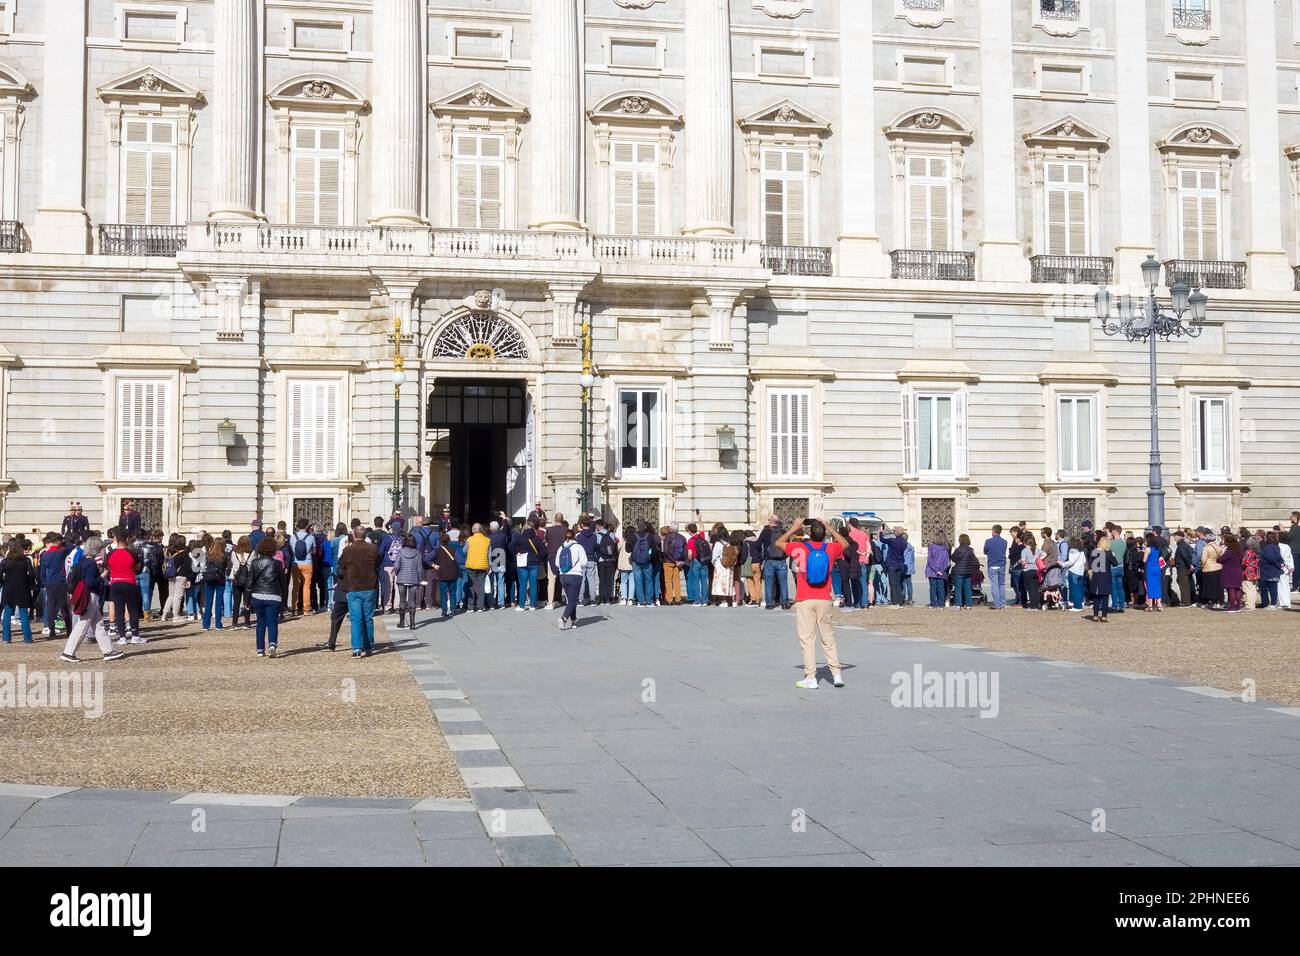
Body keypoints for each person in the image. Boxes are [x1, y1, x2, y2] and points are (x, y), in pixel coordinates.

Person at [776, 518, 847, 690]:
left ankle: (811, 677)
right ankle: (836, 674)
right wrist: (830, 527)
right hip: (824, 597)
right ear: (824, 535)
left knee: (807, 639)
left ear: (809, 534)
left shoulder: (799, 548)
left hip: (805, 597)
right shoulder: (830, 548)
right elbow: (844, 543)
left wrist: (794, 528)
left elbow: (779, 543)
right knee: (828, 637)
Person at [59, 537, 127, 663]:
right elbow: (90, 582)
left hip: (86, 594)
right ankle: (68, 652)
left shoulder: (83, 560)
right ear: (97, 549)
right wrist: (102, 576)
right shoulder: (90, 563)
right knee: (82, 624)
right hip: (89, 595)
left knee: (98, 624)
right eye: (101, 549)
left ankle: (108, 651)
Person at [337, 528, 380, 656]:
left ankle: (356, 647)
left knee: (356, 618)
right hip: (369, 585)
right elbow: (377, 564)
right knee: (368, 618)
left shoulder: (348, 550)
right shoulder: (373, 548)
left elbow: (341, 565)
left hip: (353, 586)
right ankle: (368, 645)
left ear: (354, 535)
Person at [243, 537, 282, 657]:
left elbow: (249, 583)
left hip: (258, 595)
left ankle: (260, 649)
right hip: (273, 595)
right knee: (272, 622)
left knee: (260, 623)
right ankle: (272, 644)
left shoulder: (255, 563)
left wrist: (247, 600)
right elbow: (282, 583)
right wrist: (283, 598)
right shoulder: (277, 564)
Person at [106, 528, 146, 644]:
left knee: (119, 610)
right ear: (127, 539)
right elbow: (137, 568)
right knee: (133, 610)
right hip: (129, 582)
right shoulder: (133, 553)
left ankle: (122, 637)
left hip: (115, 583)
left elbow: (108, 567)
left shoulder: (110, 554)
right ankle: (134, 635)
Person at [0, 540, 37, 643]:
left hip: (8, 588)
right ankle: (27, 638)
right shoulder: (26, 560)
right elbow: (32, 575)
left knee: (7, 613)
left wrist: (3, 582)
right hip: (23, 588)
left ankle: (6, 638)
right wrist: (29, 583)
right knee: (23, 613)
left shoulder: (5, 561)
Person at [555, 527, 588, 630]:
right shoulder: (578, 547)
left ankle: (573, 621)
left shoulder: (561, 548)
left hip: (563, 576)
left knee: (571, 599)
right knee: (573, 599)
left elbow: (557, 563)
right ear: (574, 536)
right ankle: (564, 618)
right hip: (575, 576)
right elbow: (584, 562)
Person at [392, 533, 425, 628]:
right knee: (412, 601)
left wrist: (398, 573)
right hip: (413, 579)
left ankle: (402, 622)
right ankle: (413, 623)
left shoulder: (401, 552)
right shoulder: (418, 553)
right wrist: (419, 580)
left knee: (402, 600)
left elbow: (397, 565)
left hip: (402, 578)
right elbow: (419, 568)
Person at [512, 521, 546, 611]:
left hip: (522, 563)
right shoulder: (537, 538)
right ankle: (532, 605)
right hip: (534, 563)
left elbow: (510, 546)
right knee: (533, 584)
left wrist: (516, 553)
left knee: (522, 584)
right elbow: (543, 552)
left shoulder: (520, 538)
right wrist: (538, 559)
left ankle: (522, 605)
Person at [1084, 532, 1118, 622]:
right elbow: (1115, 563)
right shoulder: (1108, 553)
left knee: (1096, 597)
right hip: (1105, 576)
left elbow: (1090, 564)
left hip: (1096, 576)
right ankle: (1104, 616)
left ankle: (1095, 615)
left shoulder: (1094, 552)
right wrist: (1113, 555)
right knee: (1104, 597)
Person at [200, 538, 229, 631]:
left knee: (208, 602)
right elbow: (226, 568)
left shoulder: (209, 554)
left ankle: (205, 624)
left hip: (209, 578)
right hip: (220, 579)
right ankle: (218, 624)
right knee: (218, 602)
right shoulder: (224, 555)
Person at [628, 520, 657, 607]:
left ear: (637, 526)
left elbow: (628, 549)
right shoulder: (650, 536)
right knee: (649, 581)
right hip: (647, 561)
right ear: (645, 527)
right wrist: (650, 557)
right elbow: (653, 550)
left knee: (638, 581)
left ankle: (641, 601)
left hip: (636, 562)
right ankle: (649, 601)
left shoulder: (632, 536)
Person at [230, 535, 254, 629]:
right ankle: (247, 622)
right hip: (248, 578)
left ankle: (234, 622)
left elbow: (234, 564)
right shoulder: (252, 553)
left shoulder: (234, 553)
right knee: (246, 601)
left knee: (236, 601)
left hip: (237, 578)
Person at [545, 514, 569, 608]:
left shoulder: (549, 530)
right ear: (562, 520)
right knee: (565, 578)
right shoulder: (566, 530)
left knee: (551, 580)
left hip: (552, 556)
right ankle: (567, 599)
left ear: (554, 519)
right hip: (563, 556)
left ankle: (550, 602)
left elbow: (546, 542)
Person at [575, 519, 601, 606]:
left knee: (581, 580)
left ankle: (580, 599)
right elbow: (596, 547)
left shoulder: (578, 536)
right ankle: (593, 599)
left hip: (582, 560)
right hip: (591, 559)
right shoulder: (594, 536)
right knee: (591, 580)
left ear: (582, 524)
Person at [950, 534, 979, 610]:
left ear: (960, 540)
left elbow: (953, 559)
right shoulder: (971, 550)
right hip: (968, 571)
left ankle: (958, 604)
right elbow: (974, 560)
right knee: (967, 588)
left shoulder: (958, 550)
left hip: (959, 571)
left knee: (958, 589)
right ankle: (968, 604)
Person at [661, 523, 686, 607]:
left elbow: (666, 551)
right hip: (678, 562)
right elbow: (685, 552)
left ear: (671, 529)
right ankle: (678, 599)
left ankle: (669, 599)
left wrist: (673, 560)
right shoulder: (682, 538)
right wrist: (680, 561)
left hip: (668, 561)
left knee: (668, 580)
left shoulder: (667, 537)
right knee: (677, 580)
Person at [982, 525, 1008, 610]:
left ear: (993, 531)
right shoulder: (1004, 542)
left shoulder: (988, 541)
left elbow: (985, 551)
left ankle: (997, 604)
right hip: (1001, 565)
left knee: (994, 586)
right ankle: (1002, 604)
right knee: (1001, 585)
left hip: (992, 564)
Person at [685, 523, 710, 607]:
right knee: (704, 581)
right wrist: (699, 519)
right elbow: (702, 529)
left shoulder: (691, 540)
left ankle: (697, 600)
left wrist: (688, 560)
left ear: (689, 531)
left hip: (696, 561)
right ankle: (705, 600)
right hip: (704, 561)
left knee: (695, 581)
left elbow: (690, 554)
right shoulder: (701, 536)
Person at [593, 519, 617, 606]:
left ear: (598, 526)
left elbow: (596, 548)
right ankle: (608, 599)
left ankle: (601, 599)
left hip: (601, 560)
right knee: (609, 579)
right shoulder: (611, 534)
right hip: (610, 560)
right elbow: (613, 547)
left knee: (602, 580)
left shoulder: (597, 536)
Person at [711, 529, 737, 607]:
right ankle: (733, 601)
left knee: (721, 583)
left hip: (721, 565)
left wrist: (714, 563)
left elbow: (714, 556)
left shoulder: (718, 544)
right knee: (729, 583)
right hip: (730, 566)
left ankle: (723, 601)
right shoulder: (729, 544)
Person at [1259, 531, 1284, 610]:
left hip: (1269, 570)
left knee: (1272, 587)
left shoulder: (1270, 547)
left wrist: (1279, 565)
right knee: (1267, 587)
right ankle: (1266, 603)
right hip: (1269, 570)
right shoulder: (1275, 546)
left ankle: (1273, 604)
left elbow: (1272, 558)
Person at [1220, 533, 1244, 613]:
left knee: (1231, 589)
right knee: (1237, 589)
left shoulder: (1230, 551)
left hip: (1230, 572)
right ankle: (1238, 607)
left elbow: (1220, 560)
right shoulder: (1238, 549)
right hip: (1237, 570)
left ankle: (1232, 607)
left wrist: (1222, 553)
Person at [1199, 530, 1223, 609]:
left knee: (1209, 586)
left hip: (1208, 568)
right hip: (1218, 567)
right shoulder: (1219, 547)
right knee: (1217, 586)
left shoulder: (1206, 547)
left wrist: (1202, 565)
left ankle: (1211, 601)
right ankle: (1218, 601)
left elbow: (1203, 559)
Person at [925, 536, 950, 608]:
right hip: (941, 572)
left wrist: (936, 570)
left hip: (932, 571)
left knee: (933, 588)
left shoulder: (931, 548)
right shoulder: (945, 549)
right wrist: (941, 571)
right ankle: (941, 604)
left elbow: (930, 561)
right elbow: (946, 562)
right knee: (941, 588)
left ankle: (933, 604)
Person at [1065, 537, 1087, 611]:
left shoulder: (1072, 550)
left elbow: (1071, 561)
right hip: (1080, 572)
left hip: (1074, 571)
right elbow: (1084, 561)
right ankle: (1080, 603)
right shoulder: (1081, 551)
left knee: (1075, 589)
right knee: (1080, 589)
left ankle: (1077, 606)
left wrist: (1062, 564)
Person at [616, 526, 635, 605]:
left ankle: (624, 598)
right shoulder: (635, 540)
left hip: (623, 564)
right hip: (632, 564)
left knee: (623, 581)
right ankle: (630, 599)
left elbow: (618, 548)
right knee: (632, 582)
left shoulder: (623, 541)